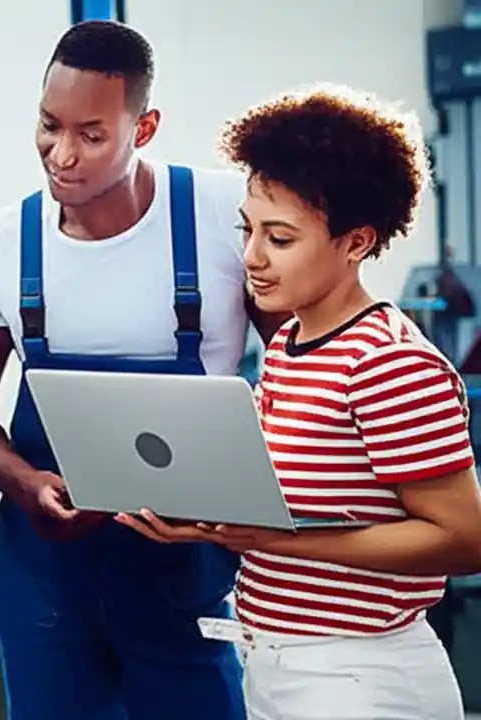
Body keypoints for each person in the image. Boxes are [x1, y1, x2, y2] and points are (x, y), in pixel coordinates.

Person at [0, 21, 287, 720]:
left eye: (92, 135)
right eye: (49, 127)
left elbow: (298, 375)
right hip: (46, 575)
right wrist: (25, 483)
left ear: (145, 128)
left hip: (188, 567)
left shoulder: (229, 219)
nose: (62, 155)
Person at [119, 83, 481, 720]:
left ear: (357, 242)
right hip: (277, 667)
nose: (252, 258)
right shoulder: (290, 344)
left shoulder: (388, 361)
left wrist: (273, 540)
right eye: (248, 230)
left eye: (280, 239)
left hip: (361, 680)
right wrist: (207, 524)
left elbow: (464, 539)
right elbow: (308, 504)